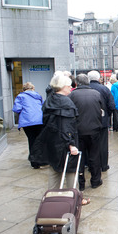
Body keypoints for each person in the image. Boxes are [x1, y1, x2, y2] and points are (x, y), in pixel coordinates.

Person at [31, 74, 90, 205]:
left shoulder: (50, 100)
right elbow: (66, 126)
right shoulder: (66, 103)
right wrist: (71, 145)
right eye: (68, 85)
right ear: (63, 87)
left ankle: (51, 198)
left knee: (54, 169)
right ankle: (75, 199)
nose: (71, 87)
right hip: (64, 143)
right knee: (70, 171)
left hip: (52, 141)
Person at [69, 74, 104, 190]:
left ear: (77, 83)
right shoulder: (96, 94)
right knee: (94, 156)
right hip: (94, 130)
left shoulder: (72, 95)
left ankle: (81, 184)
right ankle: (95, 180)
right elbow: (101, 110)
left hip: (78, 131)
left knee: (80, 157)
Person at [12, 82, 44, 168]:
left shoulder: (20, 96)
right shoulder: (38, 96)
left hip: (27, 122)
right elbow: (43, 106)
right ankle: (41, 160)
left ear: (24, 89)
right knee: (39, 140)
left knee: (32, 140)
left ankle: (34, 162)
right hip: (39, 120)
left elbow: (16, 109)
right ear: (33, 88)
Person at [88, 70, 115, 171]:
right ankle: (103, 165)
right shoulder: (104, 89)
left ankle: (91, 166)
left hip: (86, 122)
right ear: (98, 78)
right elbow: (112, 105)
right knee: (103, 144)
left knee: (89, 145)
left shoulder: (83, 89)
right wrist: (108, 116)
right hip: (102, 121)